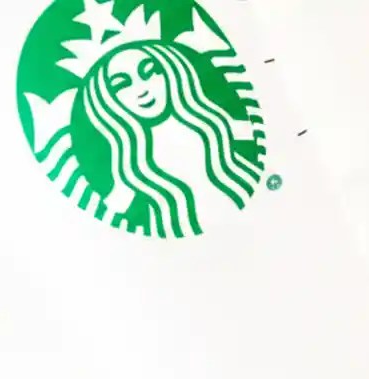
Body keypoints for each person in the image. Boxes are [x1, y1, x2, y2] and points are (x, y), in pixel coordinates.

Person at [82, 42, 263, 238]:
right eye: (122, 85)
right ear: (110, 102)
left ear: (170, 72)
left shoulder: (218, 123)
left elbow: (256, 133)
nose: (142, 89)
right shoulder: (130, 168)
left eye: (149, 72)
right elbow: (112, 210)